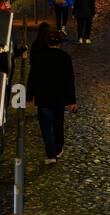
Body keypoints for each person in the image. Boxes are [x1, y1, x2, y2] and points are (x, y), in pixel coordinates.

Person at [26, 31, 77, 165]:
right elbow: (69, 79)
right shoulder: (65, 57)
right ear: (59, 43)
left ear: (47, 43)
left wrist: (29, 95)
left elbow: (33, 77)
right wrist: (72, 101)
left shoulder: (39, 57)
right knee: (58, 124)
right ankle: (58, 148)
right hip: (59, 98)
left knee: (46, 127)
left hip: (43, 98)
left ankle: (51, 154)